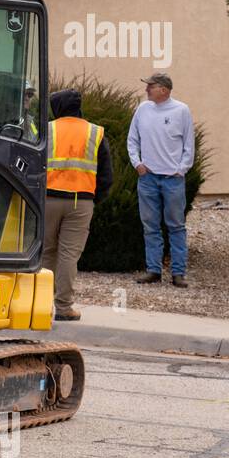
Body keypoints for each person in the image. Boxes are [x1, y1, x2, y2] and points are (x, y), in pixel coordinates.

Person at [44, 89, 113, 321]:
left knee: (45, 253)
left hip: (48, 199)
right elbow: (106, 175)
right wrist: (93, 200)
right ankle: (64, 308)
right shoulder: (96, 132)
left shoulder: (47, 129)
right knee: (68, 256)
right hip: (81, 202)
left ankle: (42, 306)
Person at [127, 73, 194, 288]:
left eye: (151, 86)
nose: (147, 90)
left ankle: (178, 273)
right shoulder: (142, 109)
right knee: (150, 226)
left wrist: (180, 169)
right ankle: (153, 270)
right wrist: (138, 164)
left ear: (164, 89)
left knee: (176, 226)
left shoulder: (181, 111)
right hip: (148, 178)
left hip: (172, 180)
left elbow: (188, 145)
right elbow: (132, 139)